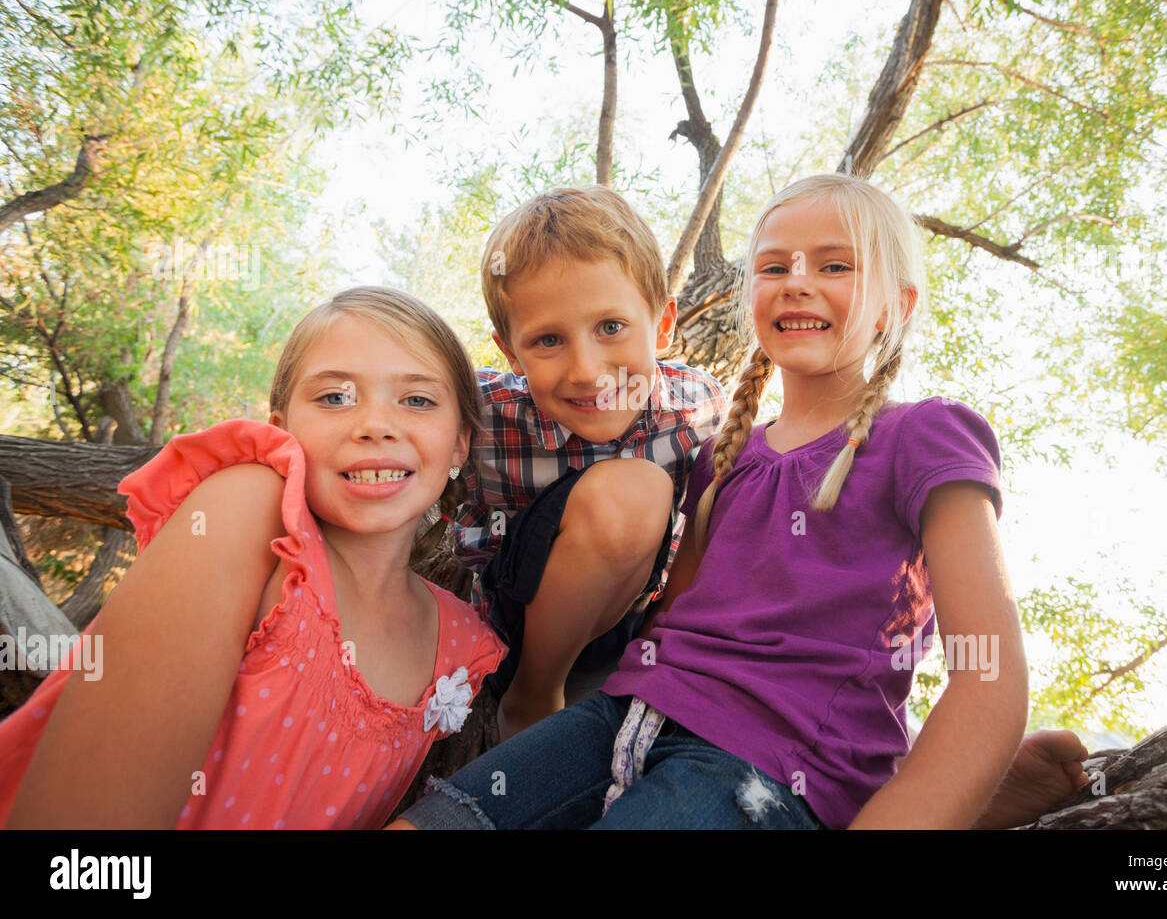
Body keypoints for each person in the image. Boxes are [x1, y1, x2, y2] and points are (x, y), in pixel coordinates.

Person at [392, 174, 1069, 829]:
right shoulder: (725, 454)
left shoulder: (924, 434)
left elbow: (990, 675)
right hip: (620, 716)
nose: (798, 281)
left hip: (756, 765)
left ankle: (919, 790)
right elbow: (671, 620)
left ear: (897, 305)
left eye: (835, 266)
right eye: (774, 267)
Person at [0, 287, 505, 828]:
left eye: (418, 399)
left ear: (459, 443)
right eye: (335, 397)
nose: (374, 424)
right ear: (281, 429)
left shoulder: (459, 641)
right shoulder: (250, 517)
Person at [455, 185, 727, 740]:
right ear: (510, 353)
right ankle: (530, 698)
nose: (585, 370)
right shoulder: (479, 415)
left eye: (611, 327)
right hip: (516, 619)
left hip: (625, 619)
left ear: (664, 324)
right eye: (548, 340)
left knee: (643, 494)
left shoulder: (698, 408)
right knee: (632, 492)